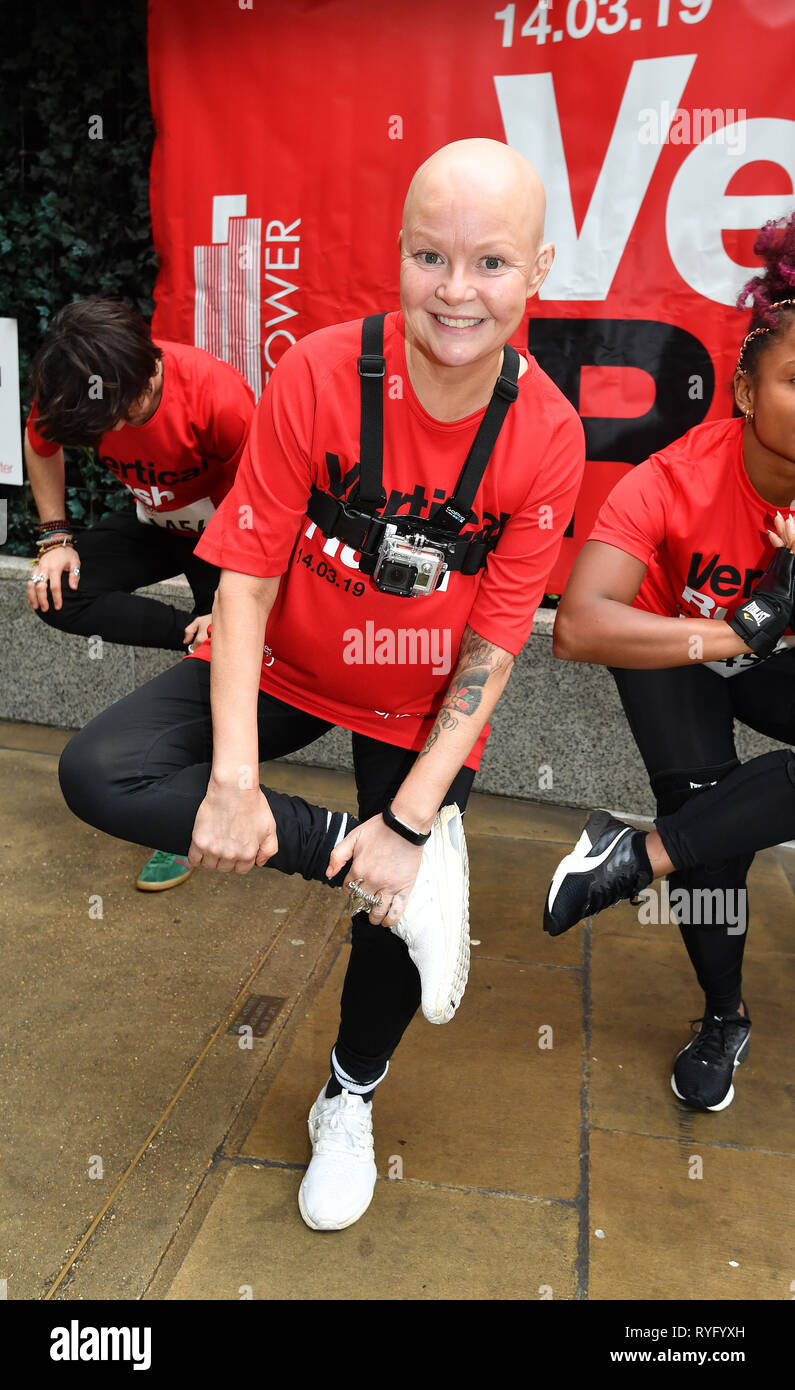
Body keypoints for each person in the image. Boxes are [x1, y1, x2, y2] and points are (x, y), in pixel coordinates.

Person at [58, 138, 585, 1231]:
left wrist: (414, 809)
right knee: (100, 770)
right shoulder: (319, 372)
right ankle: (362, 862)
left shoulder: (550, 436)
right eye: (432, 256)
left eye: (490, 263)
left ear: (538, 269)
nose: (456, 290)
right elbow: (242, 584)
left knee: (397, 914)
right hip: (292, 658)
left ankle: (347, 1096)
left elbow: (492, 649)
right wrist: (241, 786)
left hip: (416, 699)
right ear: (398, 254)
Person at [546, 214, 795, 1113]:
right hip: (680, 648)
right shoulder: (670, 477)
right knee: (709, 825)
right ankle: (722, 1014)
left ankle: (633, 855)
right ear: (741, 387)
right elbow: (577, 625)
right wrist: (741, 630)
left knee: (695, 830)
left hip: (777, 668)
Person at [24, 298, 255, 890]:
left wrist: (227, 610)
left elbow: (256, 516)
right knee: (58, 593)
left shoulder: (219, 400)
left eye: (127, 412)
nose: (118, 433)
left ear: (147, 370)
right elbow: (41, 444)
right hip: (155, 526)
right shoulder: (74, 383)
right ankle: (191, 632)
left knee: (224, 656)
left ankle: (183, 821)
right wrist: (55, 539)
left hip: (225, 536)